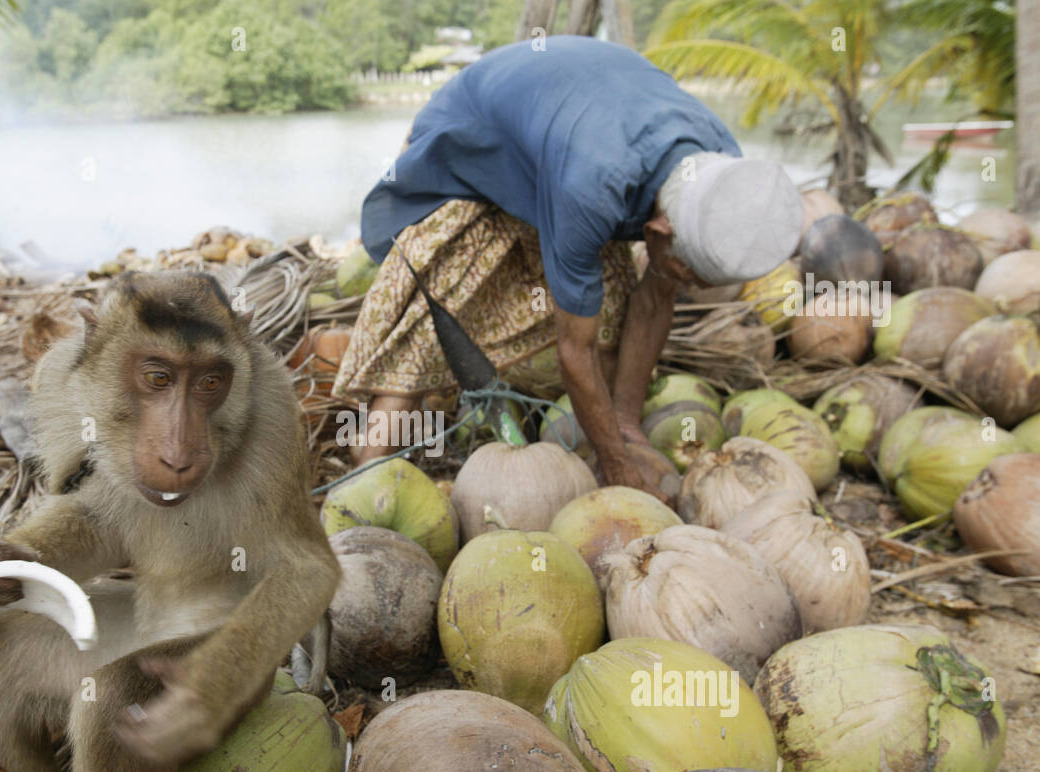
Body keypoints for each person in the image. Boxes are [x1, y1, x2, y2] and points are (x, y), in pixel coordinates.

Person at [331, 35, 803, 493]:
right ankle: (362, 473)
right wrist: (619, 468)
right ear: (658, 230)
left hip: (562, 137)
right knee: (429, 321)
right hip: (475, 139)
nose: (683, 285)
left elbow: (657, 294)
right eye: (685, 273)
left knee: (613, 310)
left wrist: (627, 432)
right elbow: (573, 352)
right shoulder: (593, 187)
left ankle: (610, 432)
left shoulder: (721, 172)